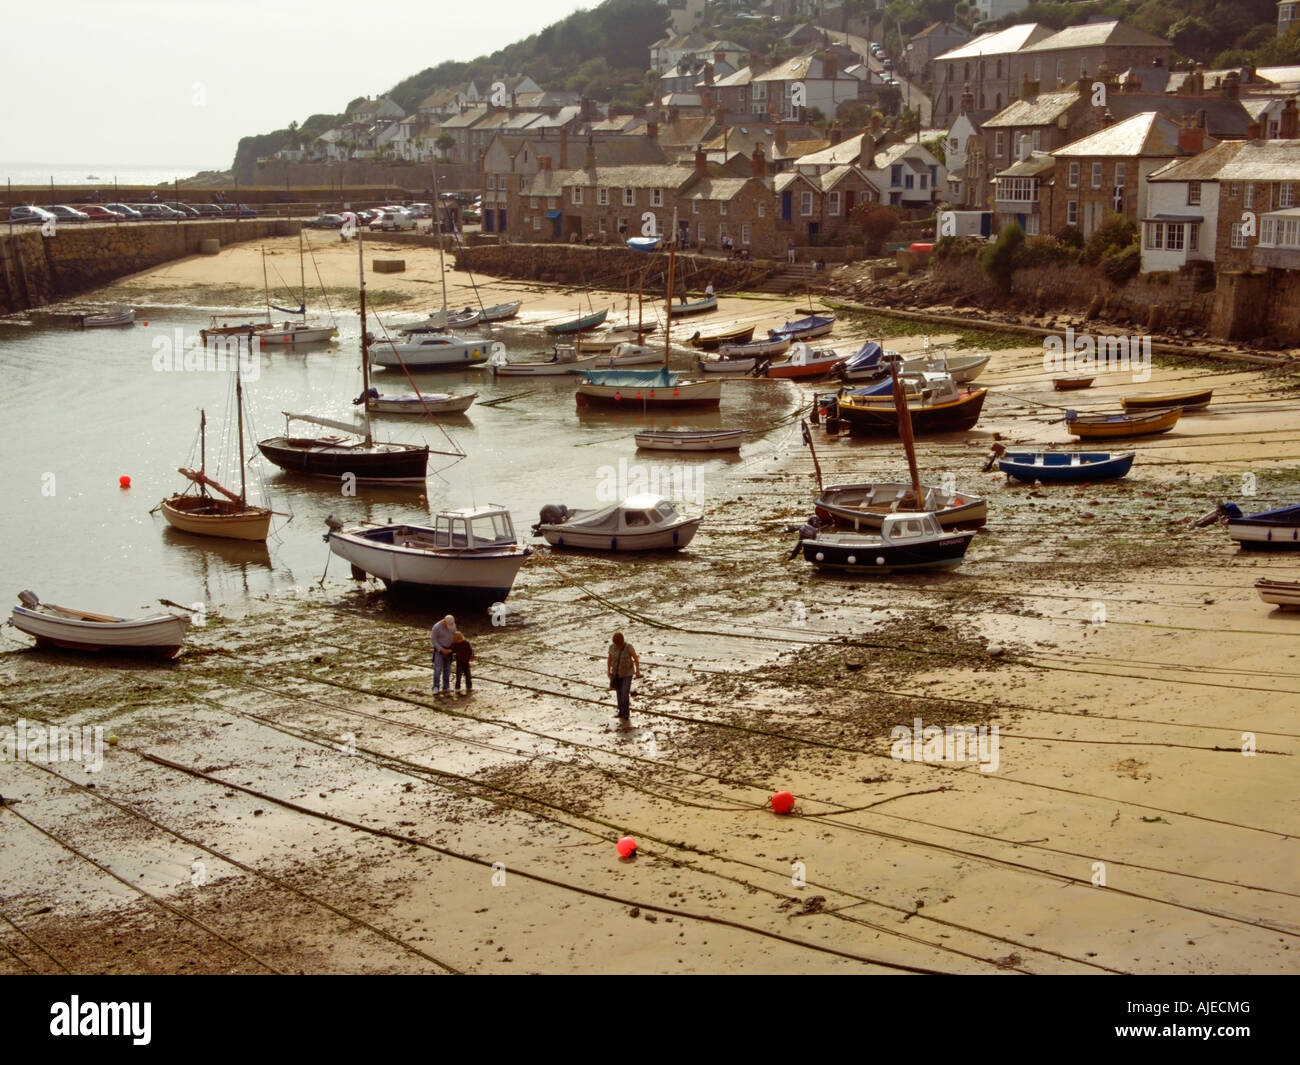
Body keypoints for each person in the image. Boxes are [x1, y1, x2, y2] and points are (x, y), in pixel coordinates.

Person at [607, 631, 642, 723]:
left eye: (618, 644)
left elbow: (635, 658)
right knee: (618, 693)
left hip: (627, 673)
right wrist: (608, 671)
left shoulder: (628, 647)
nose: (617, 645)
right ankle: (621, 712)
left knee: (624, 693)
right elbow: (609, 659)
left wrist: (637, 671)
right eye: (616, 644)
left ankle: (625, 713)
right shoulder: (611, 647)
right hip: (616, 673)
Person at [430, 614, 455, 695]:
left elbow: (454, 636)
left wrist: (452, 649)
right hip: (439, 650)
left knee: (447, 669)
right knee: (438, 669)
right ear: (444, 621)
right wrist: (441, 649)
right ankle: (436, 687)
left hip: (449, 650)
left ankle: (446, 686)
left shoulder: (453, 625)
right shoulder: (436, 627)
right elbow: (433, 640)